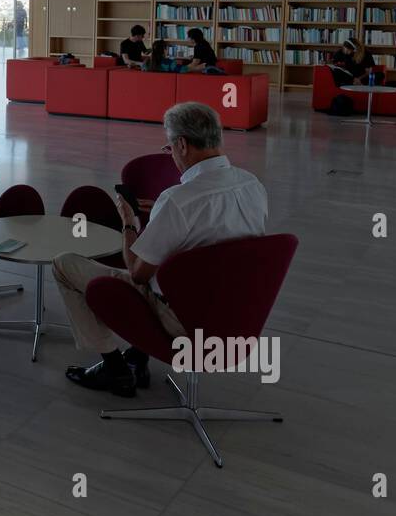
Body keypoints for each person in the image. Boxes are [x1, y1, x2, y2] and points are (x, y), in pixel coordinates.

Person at [53, 102, 269, 397]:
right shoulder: (251, 184)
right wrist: (164, 216)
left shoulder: (178, 200)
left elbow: (138, 273)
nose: (170, 155)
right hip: (236, 313)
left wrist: (129, 222)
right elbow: (216, 237)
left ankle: (114, 368)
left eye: (169, 148)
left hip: (184, 320)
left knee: (65, 265)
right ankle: (138, 355)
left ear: (181, 144)